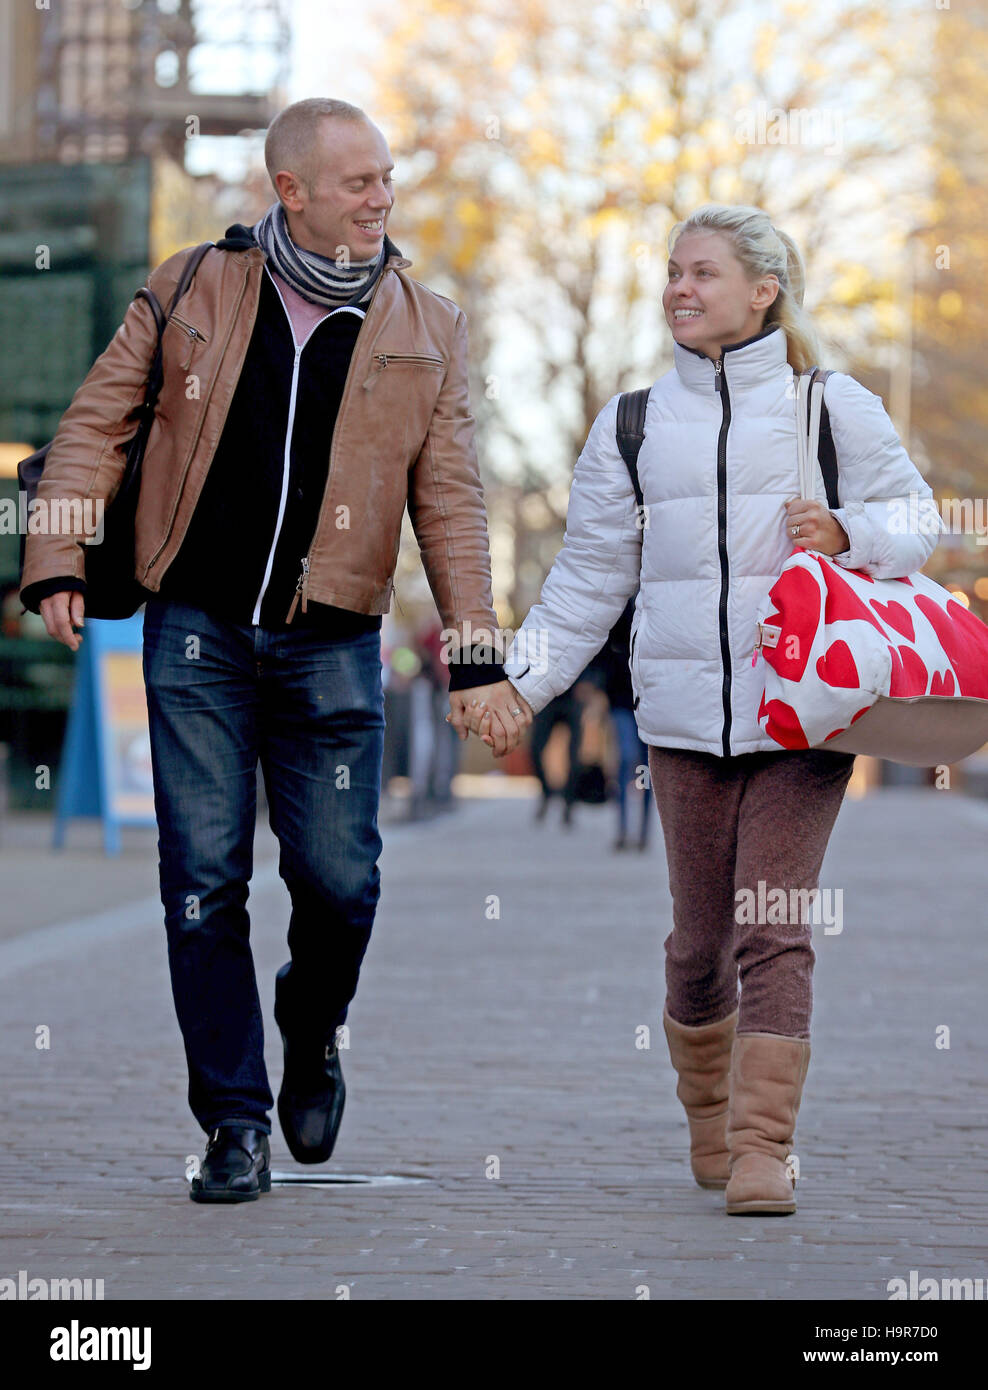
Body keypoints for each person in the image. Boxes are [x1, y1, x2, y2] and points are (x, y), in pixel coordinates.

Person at [21, 98, 529, 1203]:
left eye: (387, 178)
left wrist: (477, 651)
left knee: (340, 881)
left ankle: (312, 1023)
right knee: (202, 881)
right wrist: (55, 551)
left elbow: (451, 504)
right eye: (358, 182)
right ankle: (234, 1122)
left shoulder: (426, 325)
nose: (381, 198)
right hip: (194, 631)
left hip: (333, 643)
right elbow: (98, 418)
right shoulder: (193, 282)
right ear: (290, 189)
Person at [470, 204, 940, 1215]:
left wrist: (850, 529)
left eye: (703, 274)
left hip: (802, 714)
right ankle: (709, 1114)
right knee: (696, 943)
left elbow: (918, 520)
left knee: (774, 920)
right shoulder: (631, 423)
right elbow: (589, 575)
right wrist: (523, 683)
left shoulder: (830, 404)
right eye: (673, 274)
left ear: (762, 289)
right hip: (681, 720)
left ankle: (766, 1146)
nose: (680, 290)